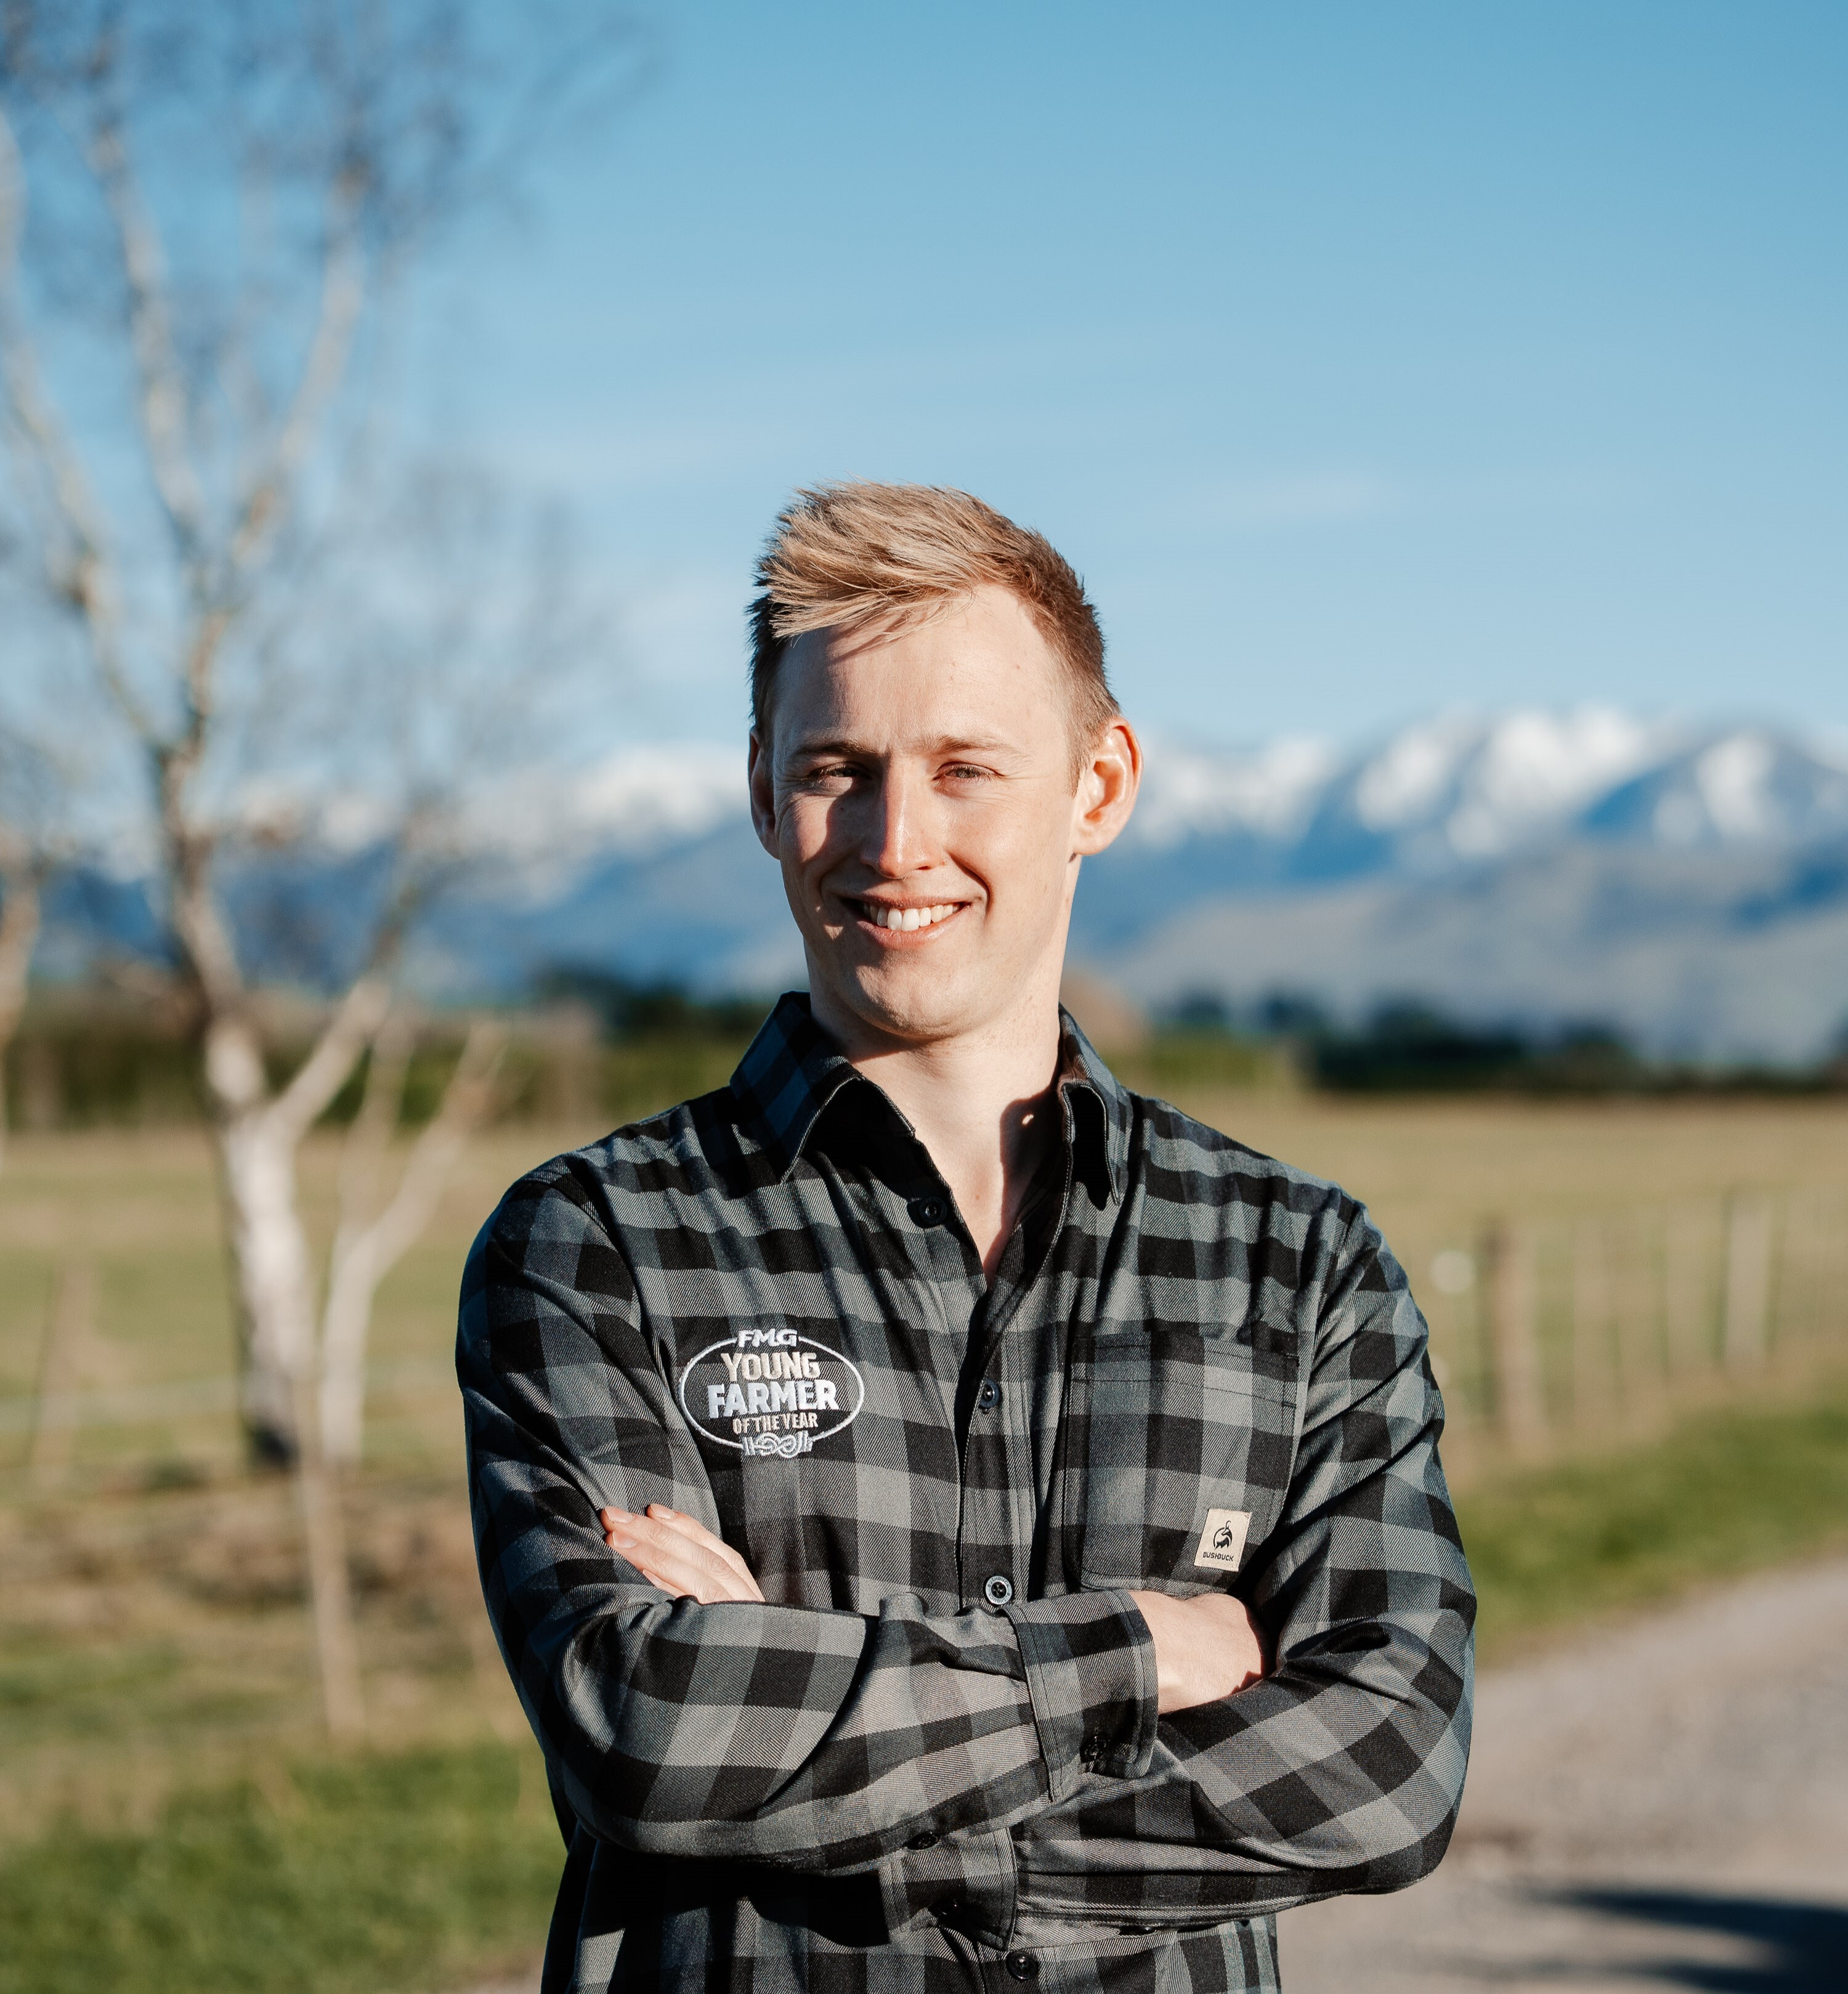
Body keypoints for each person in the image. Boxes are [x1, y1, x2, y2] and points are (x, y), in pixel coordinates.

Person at [459, 482, 1475, 1993]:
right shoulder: (598, 1242)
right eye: (837, 768)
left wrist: (806, 1744)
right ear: (764, 792)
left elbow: (1386, 1761)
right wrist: (1139, 1655)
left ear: (1098, 784)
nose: (896, 840)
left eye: (965, 768)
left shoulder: (1299, 1268)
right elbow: (651, 1727)